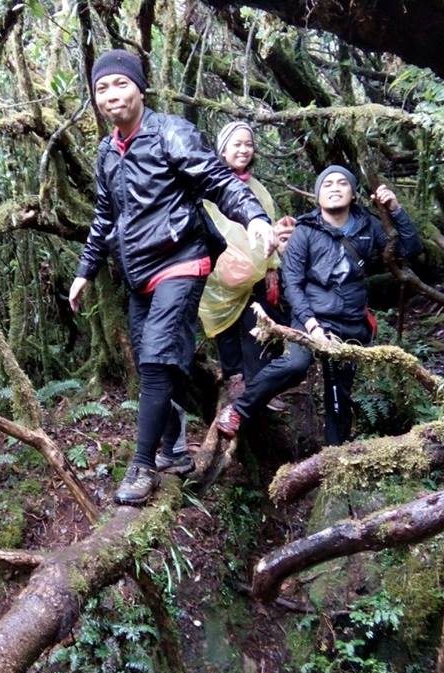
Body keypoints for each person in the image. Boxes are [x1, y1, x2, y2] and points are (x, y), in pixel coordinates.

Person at [69, 50, 276, 505]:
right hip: (139, 271)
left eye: (120, 84)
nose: (110, 95)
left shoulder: (170, 133)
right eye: (101, 88)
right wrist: (86, 271)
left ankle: (143, 467)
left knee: (158, 358)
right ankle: (175, 451)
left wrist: (255, 217)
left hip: (182, 259)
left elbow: (218, 181)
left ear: (140, 88)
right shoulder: (107, 152)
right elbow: (106, 215)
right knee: (155, 361)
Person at [215, 165, 423, 445]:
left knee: (339, 395)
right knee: (294, 364)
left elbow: (410, 249)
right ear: (317, 196)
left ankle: (332, 459)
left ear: (352, 194)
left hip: (351, 322)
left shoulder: (368, 225)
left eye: (342, 183)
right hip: (310, 316)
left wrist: (395, 210)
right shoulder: (306, 230)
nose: (335, 188)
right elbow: (292, 282)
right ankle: (239, 410)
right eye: (327, 184)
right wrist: (311, 325)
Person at [198, 121, 296, 400]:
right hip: (220, 273)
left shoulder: (259, 189)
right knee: (226, 329)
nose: (243, 150)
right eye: (237, 144)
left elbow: (267, 228)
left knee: (258, 327)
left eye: (248, 144)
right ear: (223, 150)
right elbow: (208, 227)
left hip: (256, 272)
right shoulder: (209, 184)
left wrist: (272, 266)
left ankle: (260, 387)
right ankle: (234, 382)